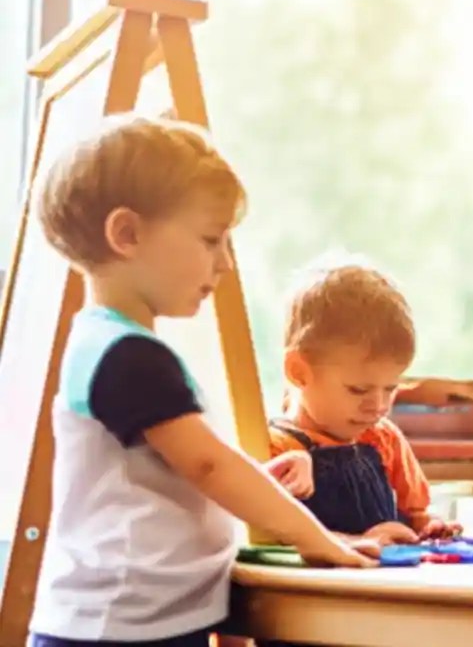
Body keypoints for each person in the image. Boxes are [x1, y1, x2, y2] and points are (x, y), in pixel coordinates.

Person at [27, 115, 375, 647]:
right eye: (211, 240)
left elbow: (174, 471)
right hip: (118, 628)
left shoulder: (113, 345)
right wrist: (314, 537)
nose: (226, 264)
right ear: (127, 234)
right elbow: (208, 464)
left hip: (135, 621)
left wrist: (257, 481)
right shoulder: (127, 355)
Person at [267, 260, 460, 544]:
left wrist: (432, 528)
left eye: (391, 388)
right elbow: (274, 537)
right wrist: (358, 543)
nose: (379, 406)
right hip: (316, 587)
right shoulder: (275, 449)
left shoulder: (383, 438)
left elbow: (417, 515)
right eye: (358, 390)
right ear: (298, 372)